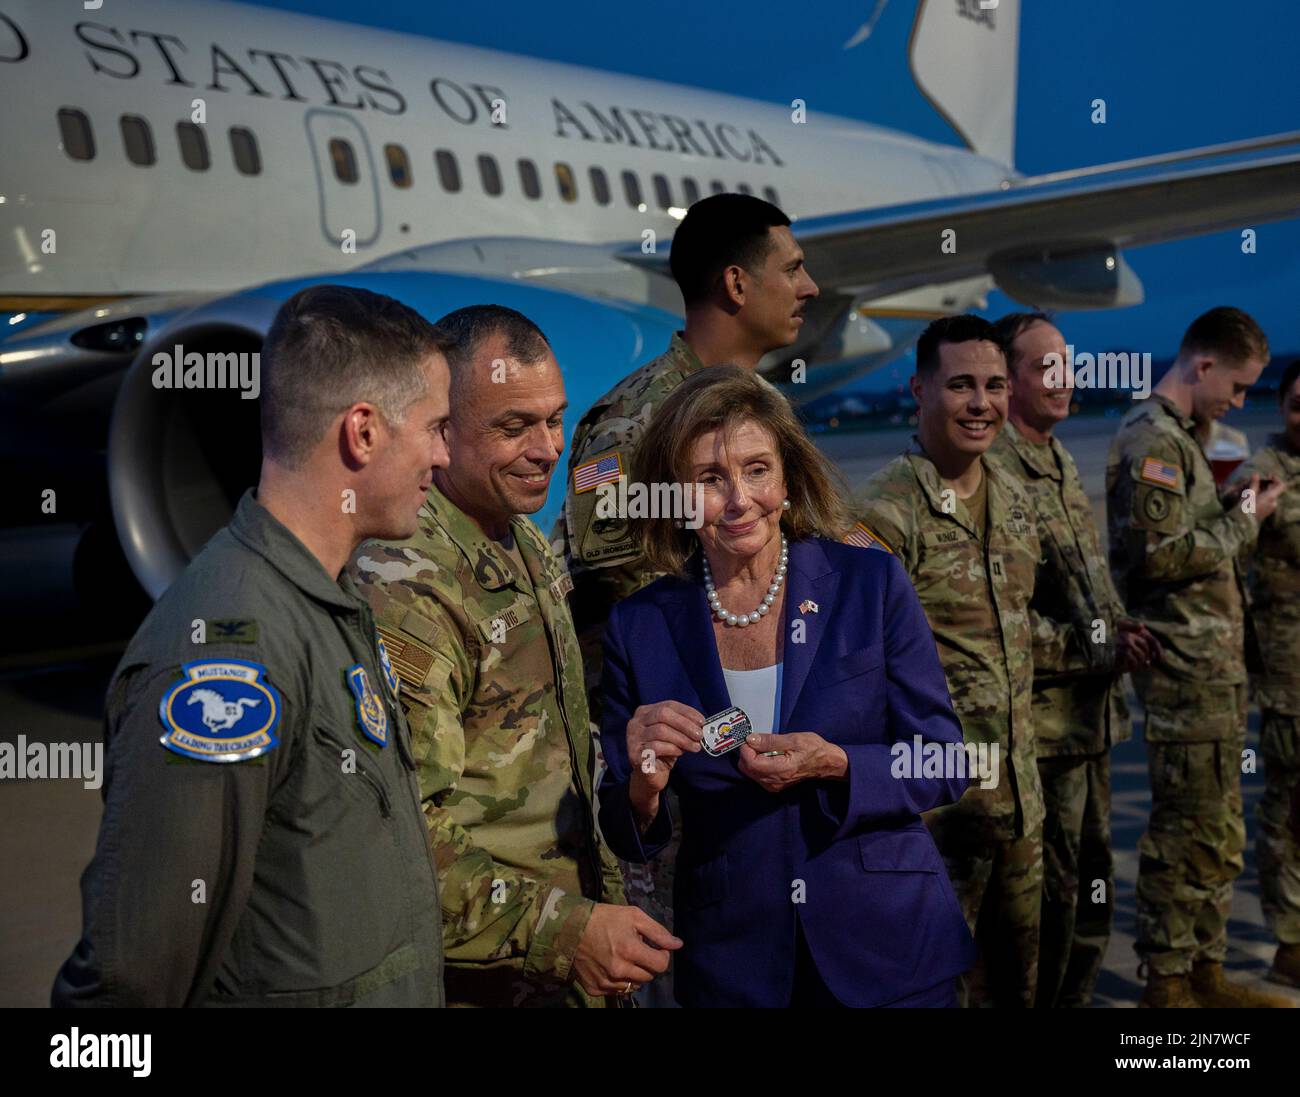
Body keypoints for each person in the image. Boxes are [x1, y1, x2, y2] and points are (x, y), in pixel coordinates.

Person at [52, 285, 450, 1007]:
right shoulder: (230, 652)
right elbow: (130, 980)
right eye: (435, 428)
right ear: (362, 432)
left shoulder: (326, 598)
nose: (444, 456)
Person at [597, 365, 974, 1007]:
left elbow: (946, 760)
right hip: (738, 962)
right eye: (710, 480)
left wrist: (837, 763)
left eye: (757, 469)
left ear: (788, 478)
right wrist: (644, 783)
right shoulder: (640, 625)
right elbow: (624, 825)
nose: (739, 499)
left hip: (889, 945)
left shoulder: (870, 584)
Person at [349, 305, 678, 1007]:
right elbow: (402, 833)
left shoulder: (519, 538)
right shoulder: (410, 585)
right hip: (488, 979)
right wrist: (565, 931)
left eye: (555, 419)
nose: (549, 449)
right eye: (513, 427)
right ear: (442, 428)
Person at [553, 192, 818, 997]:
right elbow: (612, 569)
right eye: (795, 268)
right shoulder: (636, 419)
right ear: (737, 285)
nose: (810, 287)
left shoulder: (761, 410)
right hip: (668, 763)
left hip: (756, 747)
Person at [855, 314, 1044, 1007]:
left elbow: (1018, 628)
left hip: (1020, 803)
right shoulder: (883, 510)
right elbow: (853, 666)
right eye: (960, 384)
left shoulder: (1019, 494)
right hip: (935, 812)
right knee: (930, 986)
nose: (980, 403)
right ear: (919, 389)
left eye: (994, 385)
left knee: (1017, 984)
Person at [1106, 305, 1290, 1008]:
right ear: (1203, 364)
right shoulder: (1151, 437)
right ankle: (1169, 980)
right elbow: (1159, 558)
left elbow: (1185, 536)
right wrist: (1246, 519)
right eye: (1237, 387)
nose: (1239, 403)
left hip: (1211, 671)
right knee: (1184, 830)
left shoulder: (1180, 439)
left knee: (1217, 828)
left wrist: (1228, 506)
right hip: (1181, 671)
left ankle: (1205, 971)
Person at [986, 312, 1162, 1007]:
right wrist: (1100, 645)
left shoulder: (1056, 459)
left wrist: (1123, 630)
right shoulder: (995, 470)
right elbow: (998, 619)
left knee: (1092, 895)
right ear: (1011, 381)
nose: (1065, 380)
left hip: (1090, 725)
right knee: (1043, 912)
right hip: (1043, 734)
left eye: (1068, 364)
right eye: (1046, 367)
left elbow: (1085, 589)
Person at [1228, 358, 1300, 989]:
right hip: (1290, 680)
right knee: (1288, 813)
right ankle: (1290, 940)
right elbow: (1229, 535)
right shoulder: (1264, 472)